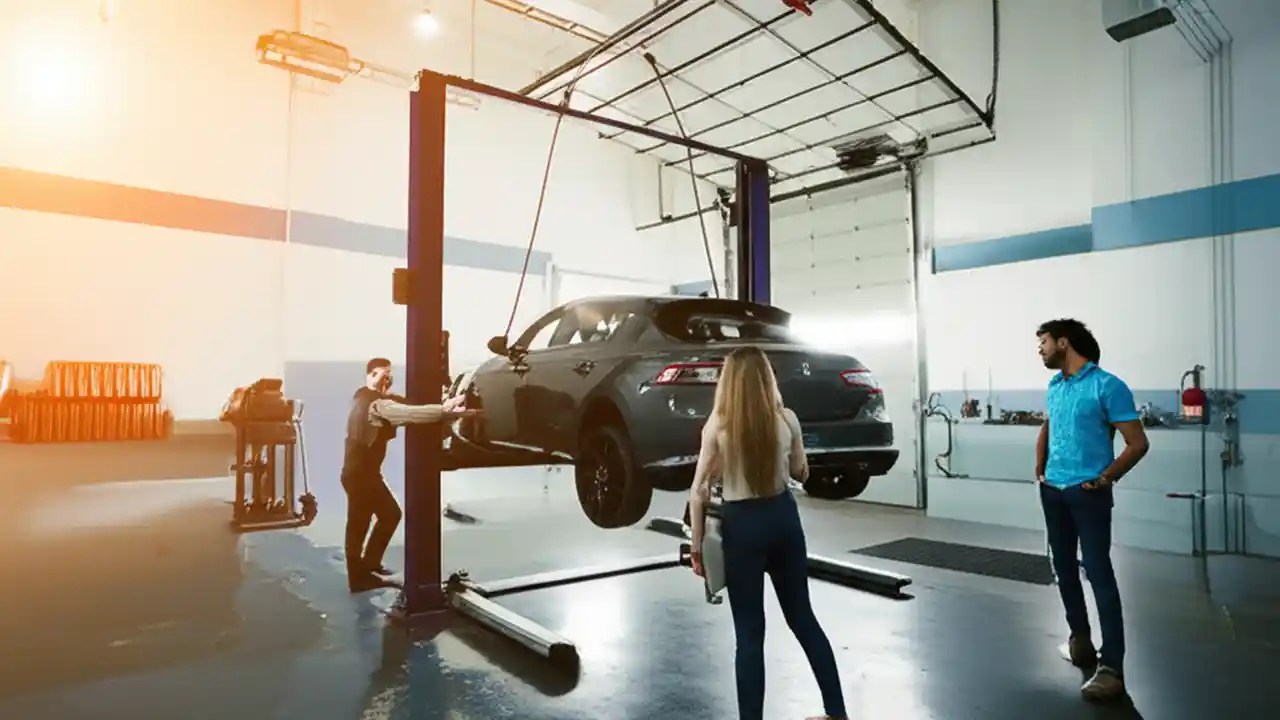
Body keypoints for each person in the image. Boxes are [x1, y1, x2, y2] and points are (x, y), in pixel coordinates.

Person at [687, 346, 847, 720]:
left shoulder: (718, 426)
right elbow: (800, 473)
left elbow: (697, 491)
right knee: (803, 619)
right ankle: (837, 714)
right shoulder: (786, 420)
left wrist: (697, 548)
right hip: (783, 520)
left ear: (729, 383)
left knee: (749, 633)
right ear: (766, 379)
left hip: (742, 526)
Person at [1035, 319, 1149, 702]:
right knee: (1063, 568)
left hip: (1088, 492)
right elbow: (1048, 427)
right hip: (1053, 490)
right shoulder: (1055, 386)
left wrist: (1105, 479)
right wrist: (1040, 465)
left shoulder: (1108, 386)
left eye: (1044, 342)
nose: (1041, 349)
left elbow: (1137, 443)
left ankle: (1112, 667)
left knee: (1098, 572)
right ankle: (1080, 640)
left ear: (1064, 343)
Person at [342, 357, 473, 593]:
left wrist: (445, 400)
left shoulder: (360, 396)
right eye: (384, 374)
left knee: (365, 521)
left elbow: (403, 403)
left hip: (358, 472)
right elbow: (409, 413)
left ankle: (365, 571)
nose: (388, 379)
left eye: (390, 374)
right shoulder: (377, 405)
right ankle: (362, 575)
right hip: (362, 474)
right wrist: (444, 410)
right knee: (383, 516)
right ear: (371, 375)